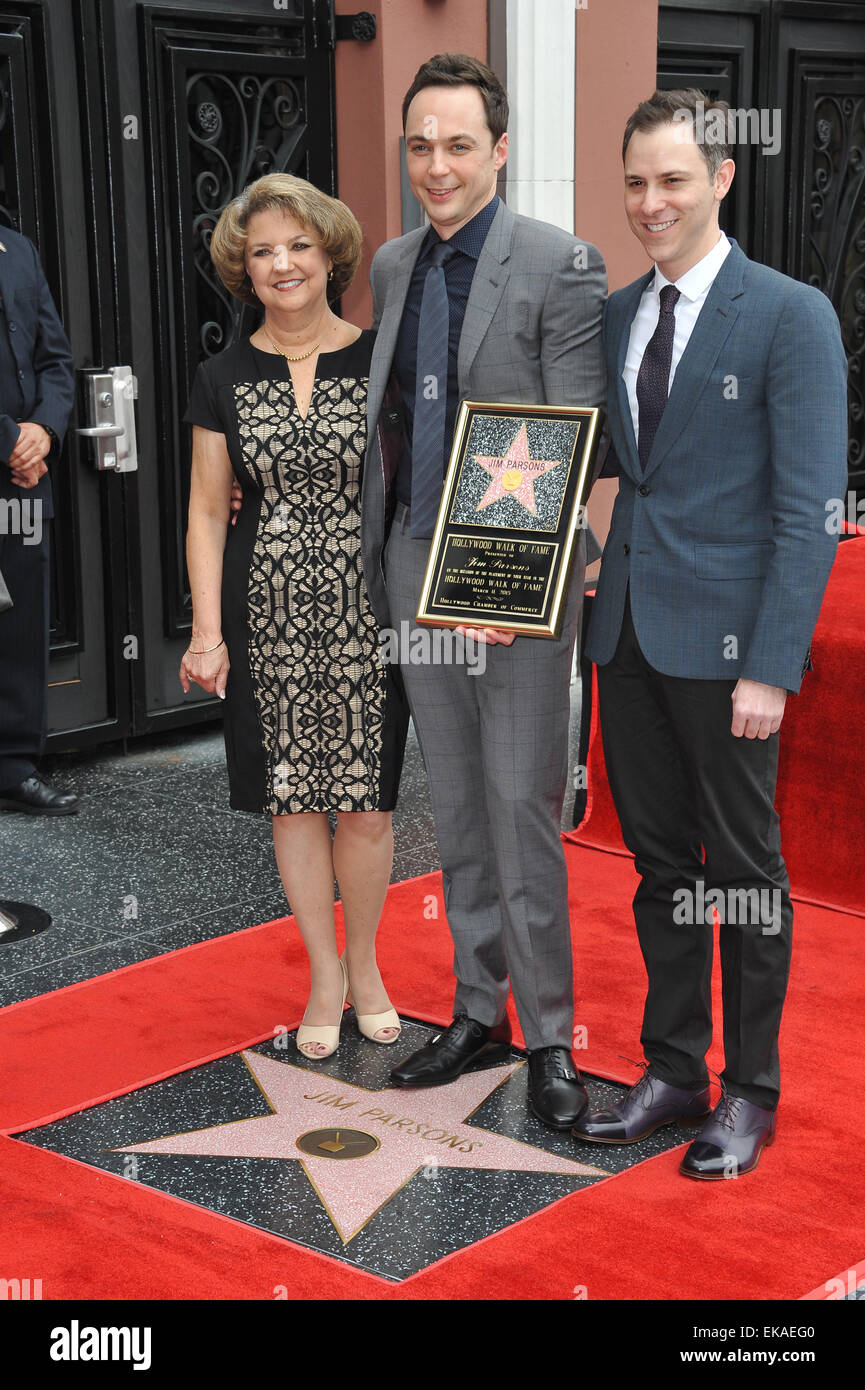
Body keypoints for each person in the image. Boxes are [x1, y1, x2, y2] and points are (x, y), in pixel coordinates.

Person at [574, 90, 848, 1177]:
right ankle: (674, 1067)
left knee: (742, 871)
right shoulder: (613, 315)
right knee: (656, 865)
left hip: (732, 652)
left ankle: (751, 1089)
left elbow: (807, 508)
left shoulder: (789, 314)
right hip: (627, 639)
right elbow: (601, 465)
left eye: (673, 179)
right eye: (635, 181)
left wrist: (772, 668)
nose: (650, 202)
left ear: (722, 178)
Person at [359, 54, 607, 1129]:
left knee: (520, 806)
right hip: (413, 561)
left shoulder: (560, 262)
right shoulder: (388, 263)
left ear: (499, 150)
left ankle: (550, 1035)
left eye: (458, 144)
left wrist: (497, 578)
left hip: (512, 570)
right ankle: (475, 1009)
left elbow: (576, 433)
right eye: (420, 145)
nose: (436, 165)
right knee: (455, 803)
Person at [181, 174, 408, 1060]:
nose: (282, 264)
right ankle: (322, 972)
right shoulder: (221, 376)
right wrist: (206, 631)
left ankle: (368, 966)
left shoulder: (381, 357)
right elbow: (206, 509)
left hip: (367, 613)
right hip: (265, 615)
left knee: (369, 807)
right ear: (244, 269)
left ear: (330, 255)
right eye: (263, 251)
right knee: (293, 804)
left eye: (298, 247)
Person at [0, 227, 76, 815]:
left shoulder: (18, 248)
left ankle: (14, 768)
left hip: (22, 480)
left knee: (20, 627)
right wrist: (9, 440)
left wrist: (43, 433)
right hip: (11, 457)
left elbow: (55, 359)